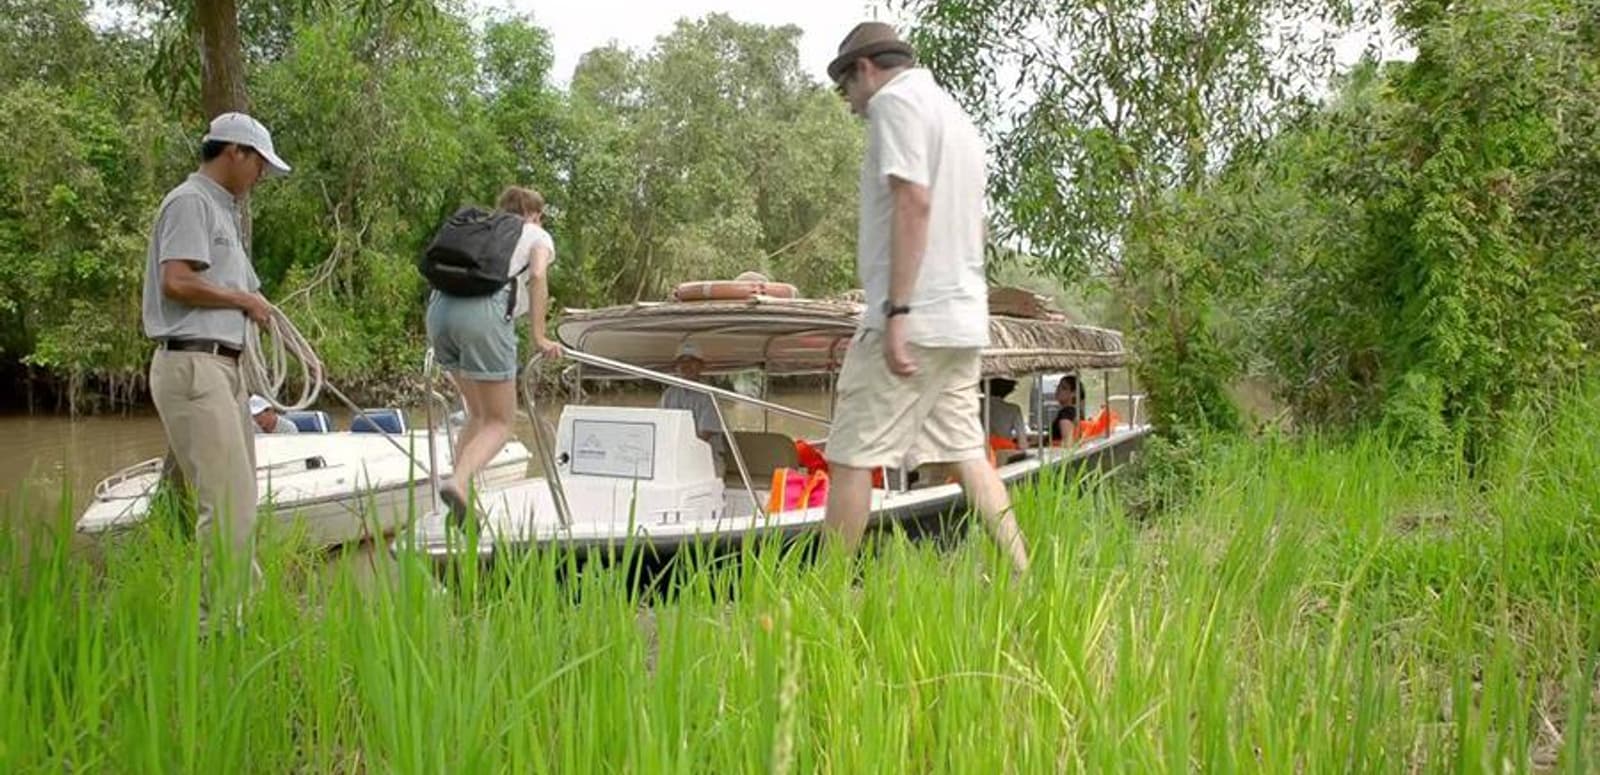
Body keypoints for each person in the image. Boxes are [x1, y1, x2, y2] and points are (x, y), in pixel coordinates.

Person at [822, 22, 1028, 574]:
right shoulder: (955, 117)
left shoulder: (895, 103)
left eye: (847, 90)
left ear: (865, 69)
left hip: (916, 319)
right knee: (965, 452)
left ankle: (822, 598)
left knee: (850, 456)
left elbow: (912, 200)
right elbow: (977, 224)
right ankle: (1023, 575)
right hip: (962, 319)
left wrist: (897, 311)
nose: (851, 105)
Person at [142, 112, 290, 626]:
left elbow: (237, 293)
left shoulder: (221, 212)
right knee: (224, 506)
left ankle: (241, 616)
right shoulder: (190, 203)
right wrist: (243, 300)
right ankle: (220, 629)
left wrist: (255, 306)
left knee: (240, 502)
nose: (262, 176)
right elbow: (177, 281)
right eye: (260, 165)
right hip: (194, 364)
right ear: (234, 152)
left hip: (222, 368)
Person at [428, 186, 558, 526]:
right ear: (533, 213)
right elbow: (540, 274)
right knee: (501, 421)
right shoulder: (535, 233)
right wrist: (540, 335)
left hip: (438, 312)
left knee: (476, 413)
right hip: (483, 315)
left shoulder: (480, 229)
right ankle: (457, 483)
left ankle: (460, 503)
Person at [657, 342, 727, 475]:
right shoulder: (668, 395)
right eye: (681, 361)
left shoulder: (710, 395)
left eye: (692, 361)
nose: (686, 365)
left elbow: (704, 435)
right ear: (675, 367)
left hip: (705, 459)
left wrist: (677, 452)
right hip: (674, 458)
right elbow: (660, 426)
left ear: (701, 366)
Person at [983, 378, 1029, 453]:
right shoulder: (1013, 409)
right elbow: (1022, 444)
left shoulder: (974, 406)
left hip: (977, 452)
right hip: (1002, 453)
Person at [1050, 374, 1086, 443]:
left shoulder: (1066, 414)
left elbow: (1068, 442)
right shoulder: (1077, 411)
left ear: (1074, 393)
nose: (1058, 389)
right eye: (1058, 386)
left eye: (1064, 388)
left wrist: (1044, 442)